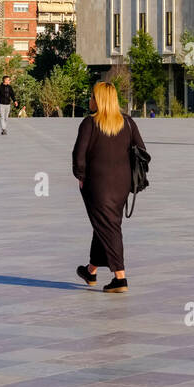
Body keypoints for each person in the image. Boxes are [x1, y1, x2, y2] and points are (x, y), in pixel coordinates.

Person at [72, 82, 145, 293]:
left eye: (93, 96)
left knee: (109, 226)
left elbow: (79, 155)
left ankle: (120, 278)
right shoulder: (128, 123)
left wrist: (80, 176)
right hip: (122, 184)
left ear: (100, 99)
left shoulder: (89, 123)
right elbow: (141, 150)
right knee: (105, 224)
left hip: (97, 184)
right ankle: (90, 270)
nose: (90, 100)